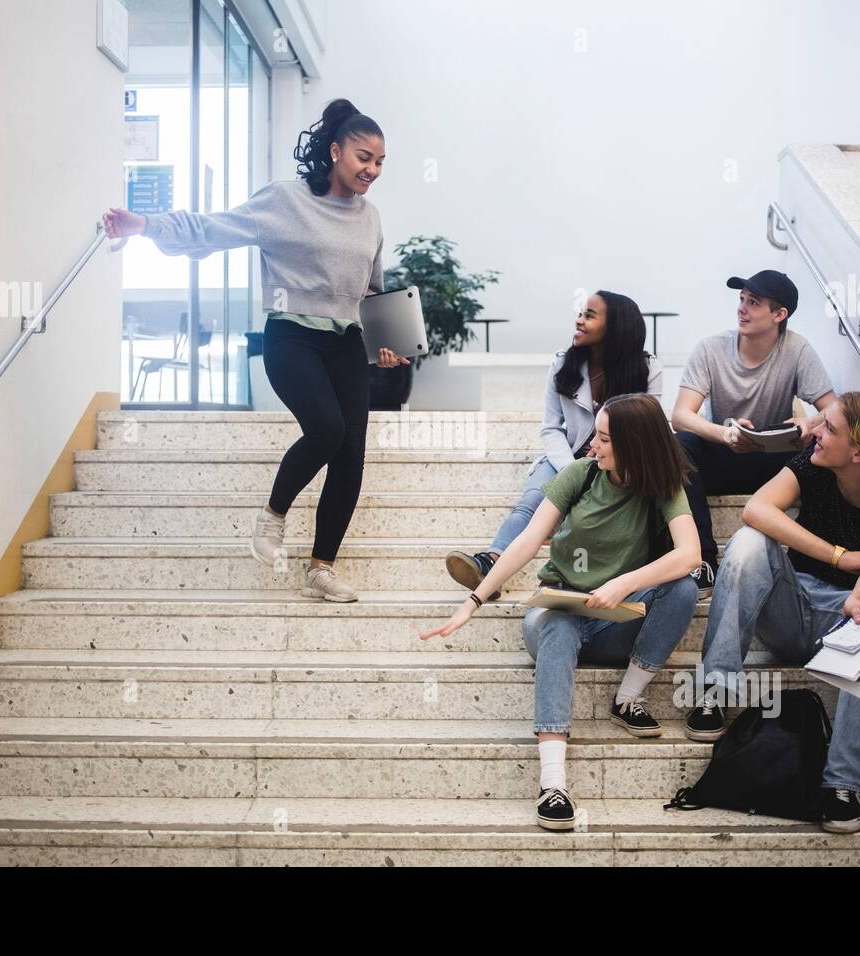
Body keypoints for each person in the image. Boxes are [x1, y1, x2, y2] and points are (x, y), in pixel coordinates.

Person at [103, 99, 407, 603]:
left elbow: (371, 292)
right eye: (362, 157)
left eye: (379, 162)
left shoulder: (370, 218)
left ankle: (321, 569)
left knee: (350, 456)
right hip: (292, 336)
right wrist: (146, 225)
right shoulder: (284, 201)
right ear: (334, 151)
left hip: (347, 342)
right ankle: (272, 517)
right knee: (327, 430)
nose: (372, 170)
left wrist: (388, 344)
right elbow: (213, 227)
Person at [421, 393, 700, 831]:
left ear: (634, 445)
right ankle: (552, 783)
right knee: (557, 622)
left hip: (616, 621)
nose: (592, 445)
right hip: (559, 612)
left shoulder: (661, 488)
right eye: (596, 435)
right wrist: (472, 603)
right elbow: (529, 540)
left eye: (604, 438)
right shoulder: (580, 475)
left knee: (682, 588)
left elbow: (690, 555)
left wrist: (623, 583)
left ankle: (627, 699)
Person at [684, 392, 860, 834]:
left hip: (842, 622)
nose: (814, 430)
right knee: (747, 541)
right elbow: (755, 509)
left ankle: (846, 784)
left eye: (829, 428)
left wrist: (858, 597)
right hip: (789, 609)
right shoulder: (810, 467)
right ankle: (715, 689)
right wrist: (838, 556)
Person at [444, 290, 664, 600]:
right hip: (568, 457)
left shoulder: (647, 368)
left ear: (615, 326)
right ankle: (490, 564)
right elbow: (550, 428)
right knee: (533, 498)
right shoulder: (563, 364)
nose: (579, 320)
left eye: (589, 315)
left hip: (622, 462)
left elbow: (650, 428)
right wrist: (570, 469)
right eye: (580, 313)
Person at [671, 270, 836, 597]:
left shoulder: (797, 350)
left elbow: (835, 409)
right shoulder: (710, 349)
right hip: (722, 454)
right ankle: (703, 561)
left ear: (779, 314)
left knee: (827, 449)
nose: (742, 309)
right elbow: (680, 415)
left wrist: (810, 425)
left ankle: (810, 562)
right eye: (742, 300)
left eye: (754, 303)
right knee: (678, 446)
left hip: (775, 461)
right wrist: (724, 433)